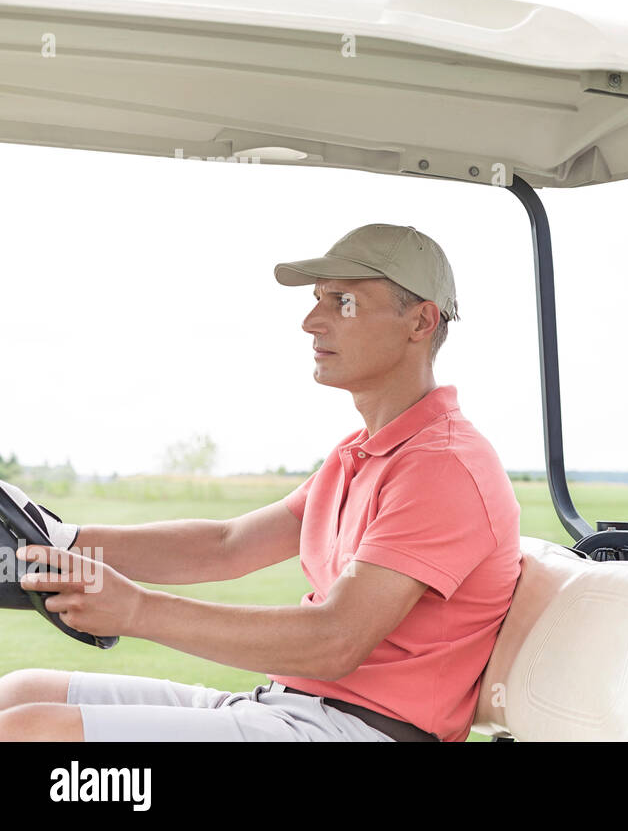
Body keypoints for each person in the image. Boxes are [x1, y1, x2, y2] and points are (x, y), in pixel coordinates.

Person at [0, 223, 521, 742]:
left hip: (361, 732)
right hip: (290, 707)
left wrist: (137, 610)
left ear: (420, 321)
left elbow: (335, 641)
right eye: (318, 299)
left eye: (342, 302)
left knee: (33, 732)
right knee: (20, 693)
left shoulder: (444, 465)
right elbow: (227, 546)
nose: (311, 321)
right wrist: (59, 541)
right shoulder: (360, 454)